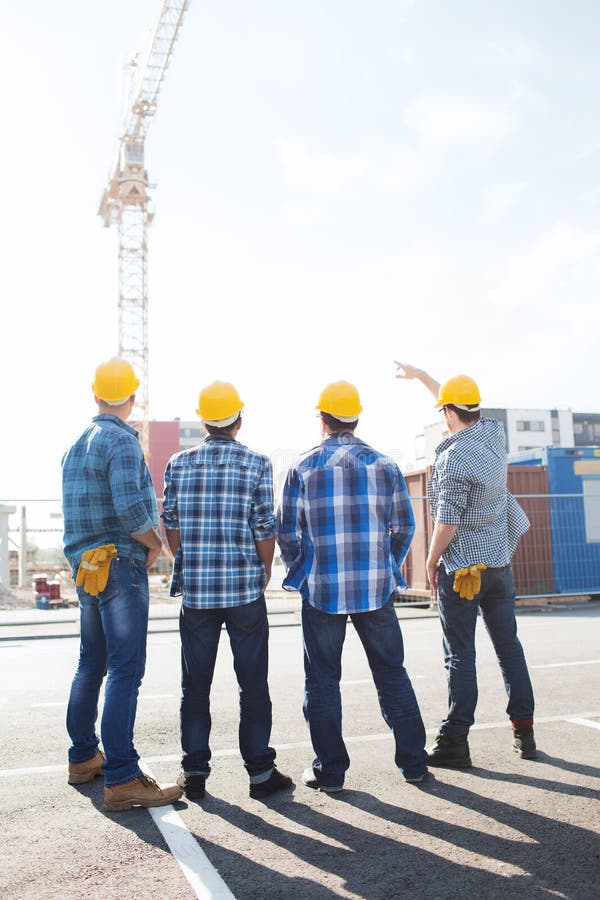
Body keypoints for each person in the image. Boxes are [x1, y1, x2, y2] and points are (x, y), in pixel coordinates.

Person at [276, 381, 429, 791]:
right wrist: (386, 566)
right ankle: (414, 762)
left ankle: (330, 771)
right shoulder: (385, 465)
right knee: (392, 674)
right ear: (356, 418)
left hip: (322, 590)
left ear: (322, 419)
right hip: (376, 589)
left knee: (323, 680)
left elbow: (287, 533)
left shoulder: (303, 468)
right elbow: (405, 527)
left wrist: (303, 570)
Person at [394, 361, 538, 766]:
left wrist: (430, 559)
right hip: (498, 566)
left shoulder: (452, 459)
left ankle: (455, 740)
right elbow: (459, 402)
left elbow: (447, 523)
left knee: (460, 654)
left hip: (462, 573)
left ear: (448, 413)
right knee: (509, 647)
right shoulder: (494, 435)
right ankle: (524, 731)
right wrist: (424, 379)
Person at [161, 381, 292, 801]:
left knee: (195, 686)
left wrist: (191, 560)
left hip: (197, 594)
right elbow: (264, 528)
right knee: (252, 683)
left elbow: (172, 525)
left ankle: (195, 774)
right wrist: (264, 570)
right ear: (239, 419)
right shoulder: (256, 463)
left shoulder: (178, 464)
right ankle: (259, 773)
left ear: (203, 420)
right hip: (243, 592)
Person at [62, 356, 182, 811]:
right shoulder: (123, 441)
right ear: (133, 398)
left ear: (95, 395)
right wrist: (157, 546)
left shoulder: (76, 444)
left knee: (90, 662)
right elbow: (133, 512)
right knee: (125, 670)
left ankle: (83, 757)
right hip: (119, 564)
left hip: (86, 567)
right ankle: (123, 776)